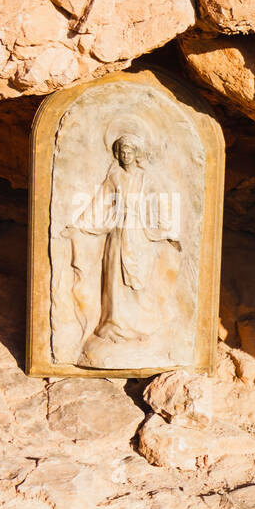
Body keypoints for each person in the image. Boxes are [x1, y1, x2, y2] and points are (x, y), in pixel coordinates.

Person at [63, 131, 180, 368]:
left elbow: (161, 204)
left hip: (141, 236)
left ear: (136, 154)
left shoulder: (148, 179)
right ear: (117, 154)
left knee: (140, 283)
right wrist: (79, 225)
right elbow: (101, 203)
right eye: (122, 151)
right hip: (117, 233)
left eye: (129, 151)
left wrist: (167, 231)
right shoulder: (114, 175)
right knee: (114, 280)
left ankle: (141, 327)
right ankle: (114, 325)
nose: (125, 155)